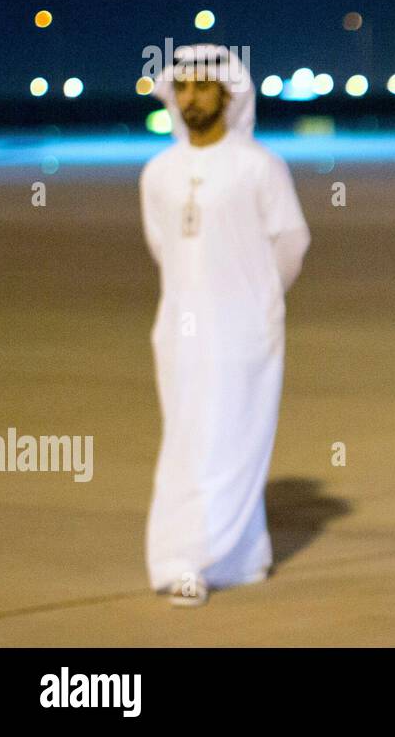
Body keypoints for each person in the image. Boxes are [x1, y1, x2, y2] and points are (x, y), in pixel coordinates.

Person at [139, 43, 309, 607]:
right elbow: (164, 248)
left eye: (202, 86)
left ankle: (215, 560)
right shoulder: (158, 172)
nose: (190, 97)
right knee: (191, 441)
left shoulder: (259, 166)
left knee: (235, 440)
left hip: (244, 332)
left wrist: (254, 302)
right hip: (177, 331)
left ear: (228, 93)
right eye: (182, 87)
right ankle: (202, 558)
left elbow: (290, 244)